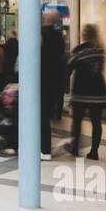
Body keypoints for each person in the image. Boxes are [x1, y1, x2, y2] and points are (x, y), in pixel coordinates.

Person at [65, 24, 106, 160]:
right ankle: (94, 151)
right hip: (98, 92)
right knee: (96, 122)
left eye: (83, 32)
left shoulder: (80, 51)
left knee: (77, 120)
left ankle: (75, 147)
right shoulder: (100, 50)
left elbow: (69, 66)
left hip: (81, 92)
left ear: (85, 34)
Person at [41, 11, 66, 159]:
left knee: (41, 117)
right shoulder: (59, 37)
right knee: (47, 115)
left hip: (41, 80)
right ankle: (45, 148)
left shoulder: (40, 34)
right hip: (54, 81)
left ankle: (44, 149)